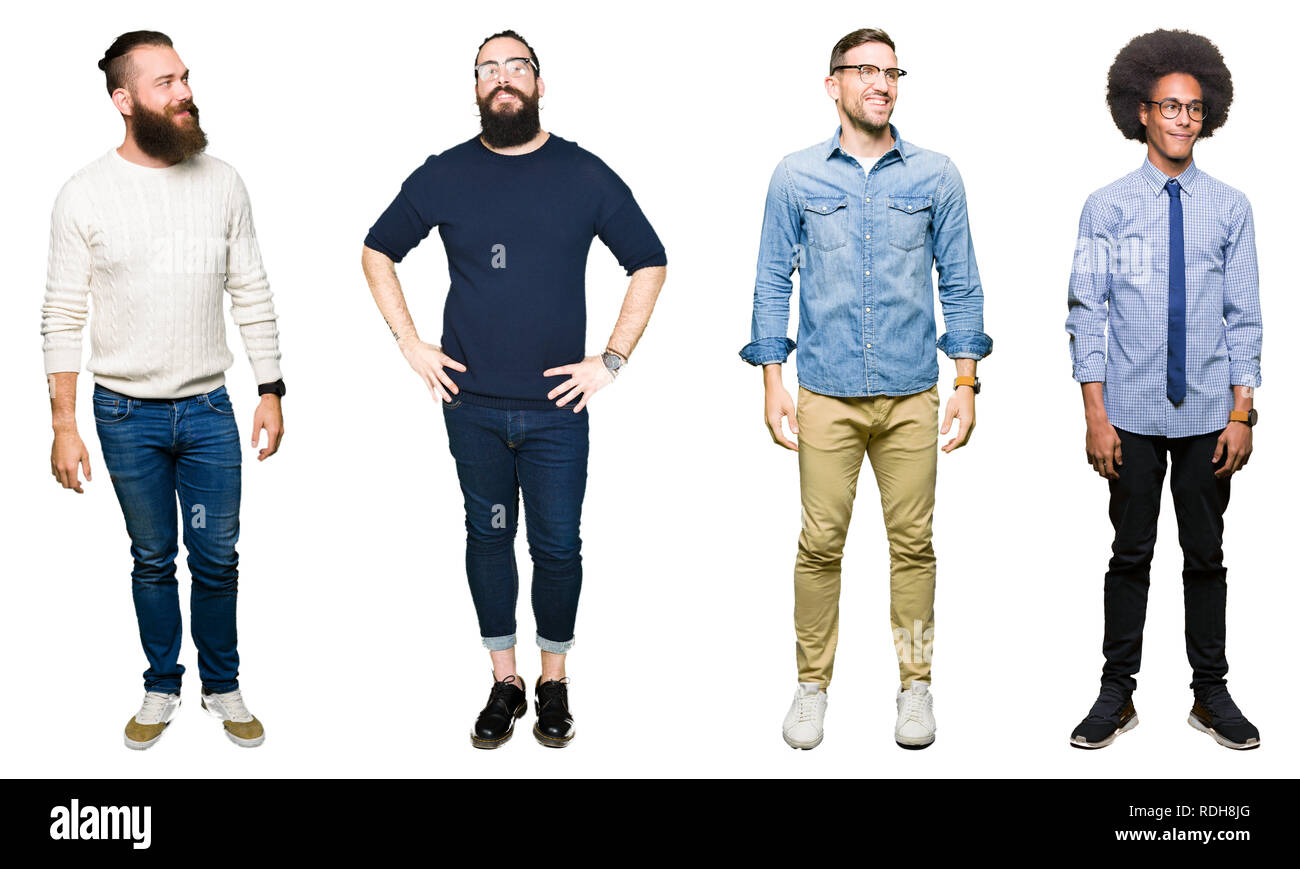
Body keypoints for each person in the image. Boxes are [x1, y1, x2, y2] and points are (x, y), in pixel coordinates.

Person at [361, 29, 667, 749]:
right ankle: (506, 680)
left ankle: (554, 679)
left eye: (516, 67)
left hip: (558, 411)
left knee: (557, 546)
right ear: (475, 88)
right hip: (471, 406)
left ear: (539, 82)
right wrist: (410, 343)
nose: (503, 79)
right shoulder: (445, 173)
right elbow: (377, 249)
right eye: (487, 69)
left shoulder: (584, 174)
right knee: (489, 538)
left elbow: (648, 259)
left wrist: (612, 359)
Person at [741, 28, 991, 751]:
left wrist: (966, 381)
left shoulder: (936, 176)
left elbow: (962, 283)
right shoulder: (795, 177)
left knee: (913, 544)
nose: (883, 83)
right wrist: (772, 381)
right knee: (820, 544)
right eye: (867, 71)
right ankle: (811, 684)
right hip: (825, 394)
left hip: (913, 393)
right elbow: (769, 281)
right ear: (834, 85)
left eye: (893, 72)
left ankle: (916, 685)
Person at [43, 31, 285, 750]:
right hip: (123, 414)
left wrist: (270, 387)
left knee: (217, 556)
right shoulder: (83, 195)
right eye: (164, 83)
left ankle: (222, 683)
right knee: (153, 558)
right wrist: (63, 423)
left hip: (210, 410)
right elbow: (61, 312)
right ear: (124, 101)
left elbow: (252, 289)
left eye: (185, 77)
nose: (184, 92)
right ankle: (159, 685)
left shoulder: (224, 182)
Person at [1066, 29, 1262, 751]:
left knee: (1206, 555)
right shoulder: (1105, 207)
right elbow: (1087, 311)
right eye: (1168, 106)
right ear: (1140, 111)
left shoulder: (1231, 208)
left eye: (1193, 107)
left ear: (1205, 116)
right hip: (1133, 413)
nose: (1182, 118)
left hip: (1212, 410)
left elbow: (1245, 315)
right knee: (1131, 554)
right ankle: (1116, 693)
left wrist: (1243, 412)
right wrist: (1096, 414)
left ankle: (1210, 693)